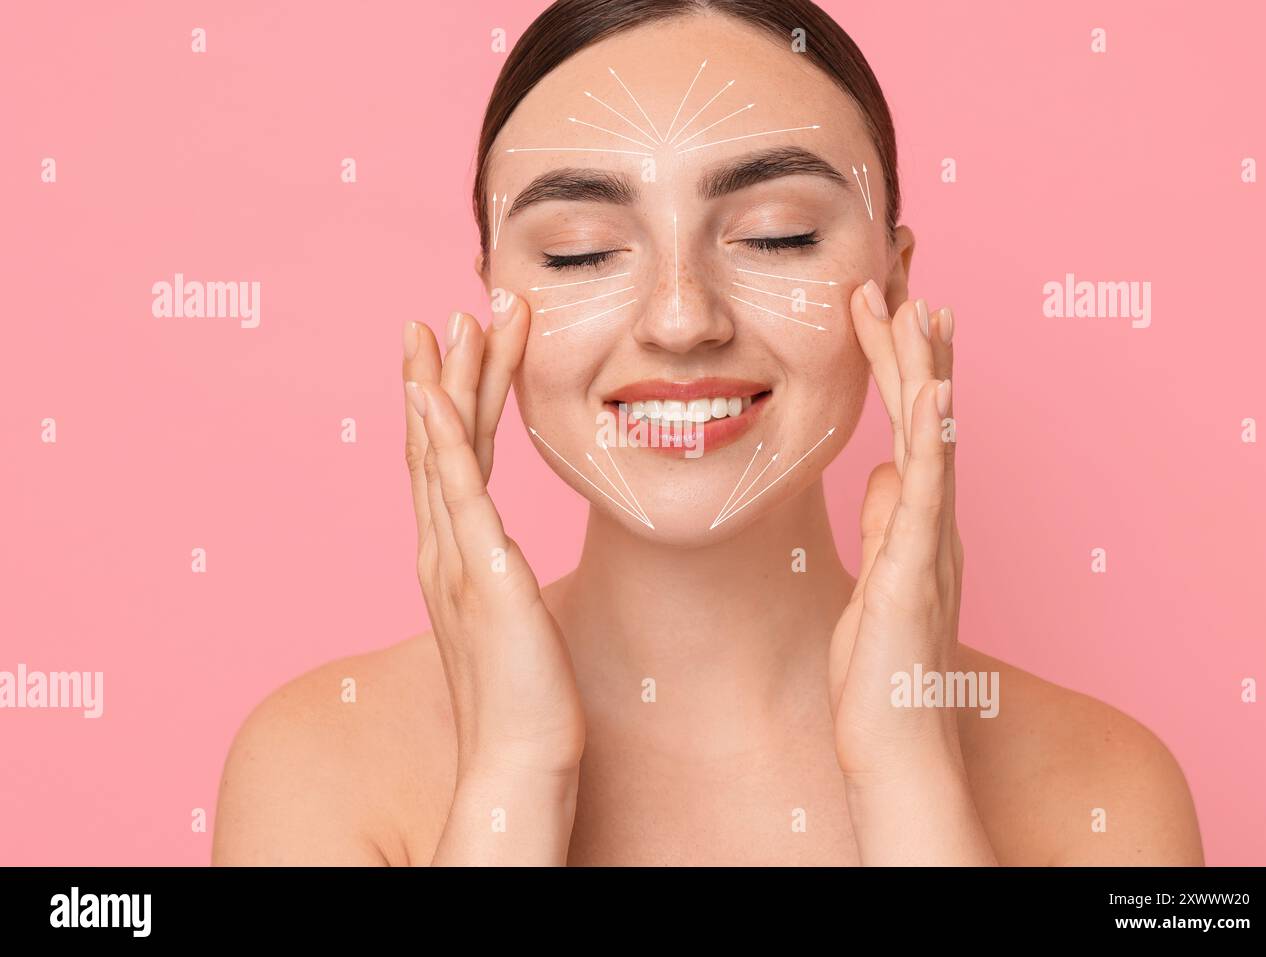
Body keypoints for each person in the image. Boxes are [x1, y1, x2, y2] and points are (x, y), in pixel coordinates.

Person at [213, 0, 1203, 866]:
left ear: (893, 283)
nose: (682, 319)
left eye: (778, 234)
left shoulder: (1103, 786)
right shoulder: (320, 764)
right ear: (493, 295)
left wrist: (909, 775)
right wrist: (513, 778)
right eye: (579, 252)